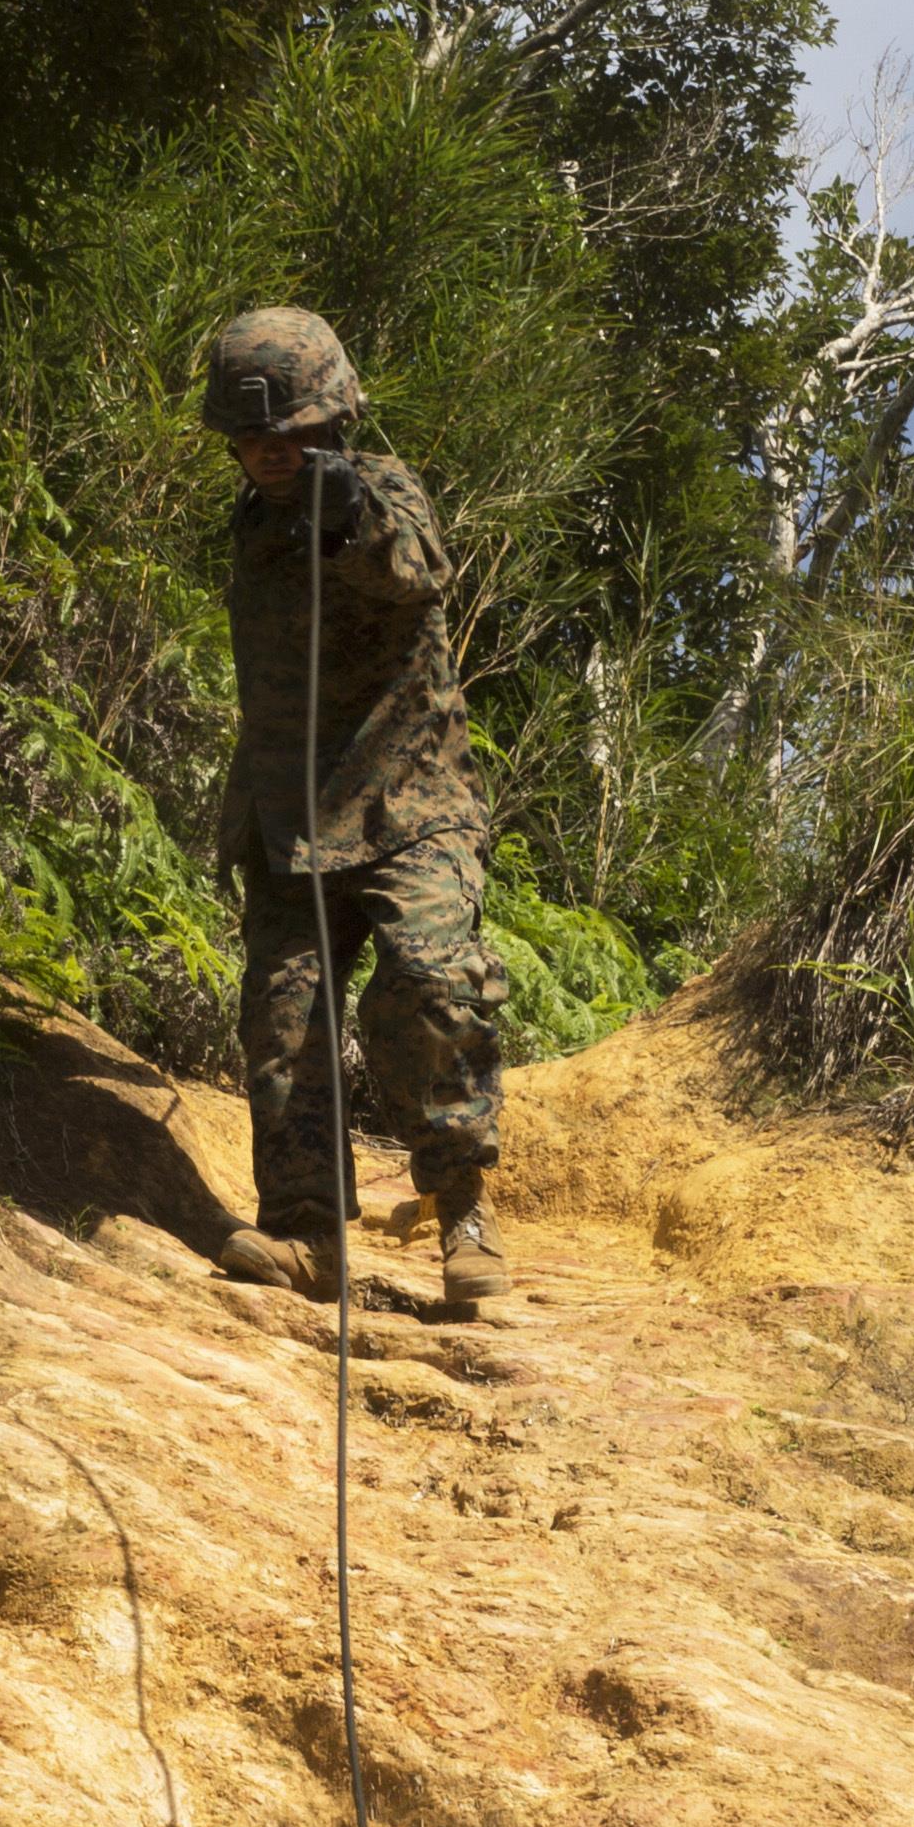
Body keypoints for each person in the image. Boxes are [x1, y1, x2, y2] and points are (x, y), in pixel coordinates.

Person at [200, 309, 511, 1310]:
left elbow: (416, 568)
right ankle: (307, 1238)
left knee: (429, 983)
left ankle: (461, 1208)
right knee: (284, 1023)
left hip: (410, 804)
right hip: (292, 817)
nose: (267, 455)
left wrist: (348, 517)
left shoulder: (383, 491)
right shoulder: (250, 529)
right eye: (249, 441)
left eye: (286, 437)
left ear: (332, 422)